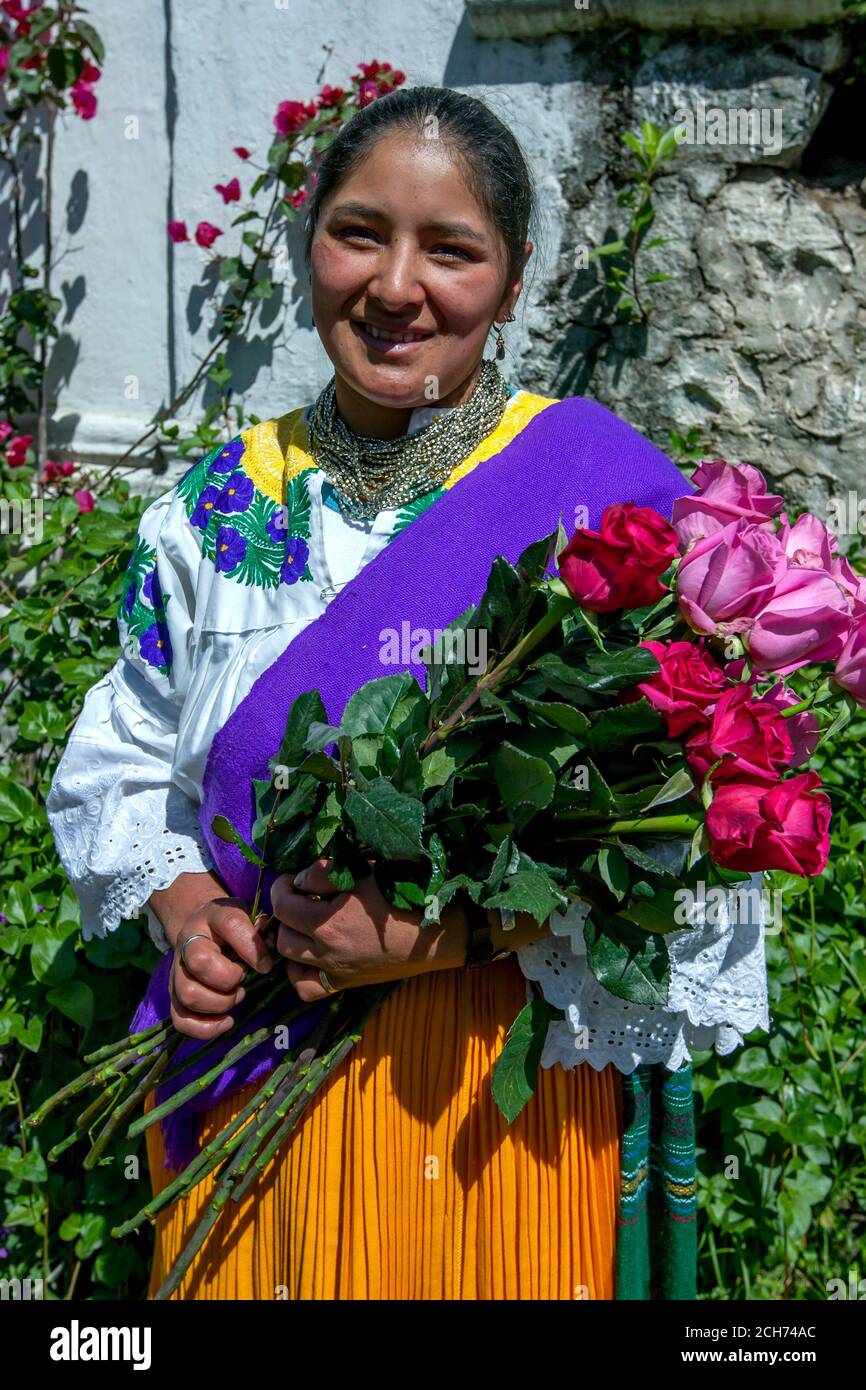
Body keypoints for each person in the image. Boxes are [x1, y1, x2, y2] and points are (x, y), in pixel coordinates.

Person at [47, 85, 768, 1300]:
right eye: (358, 232)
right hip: (249, 1083)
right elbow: (122, 753)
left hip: (500, 1102)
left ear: (516, 273)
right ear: (306, 236)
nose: (394, 287)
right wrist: (184, 913)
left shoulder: (609, 506)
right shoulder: (215, 513)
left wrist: (453, 934)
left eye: (450, 250)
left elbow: (705, 865)